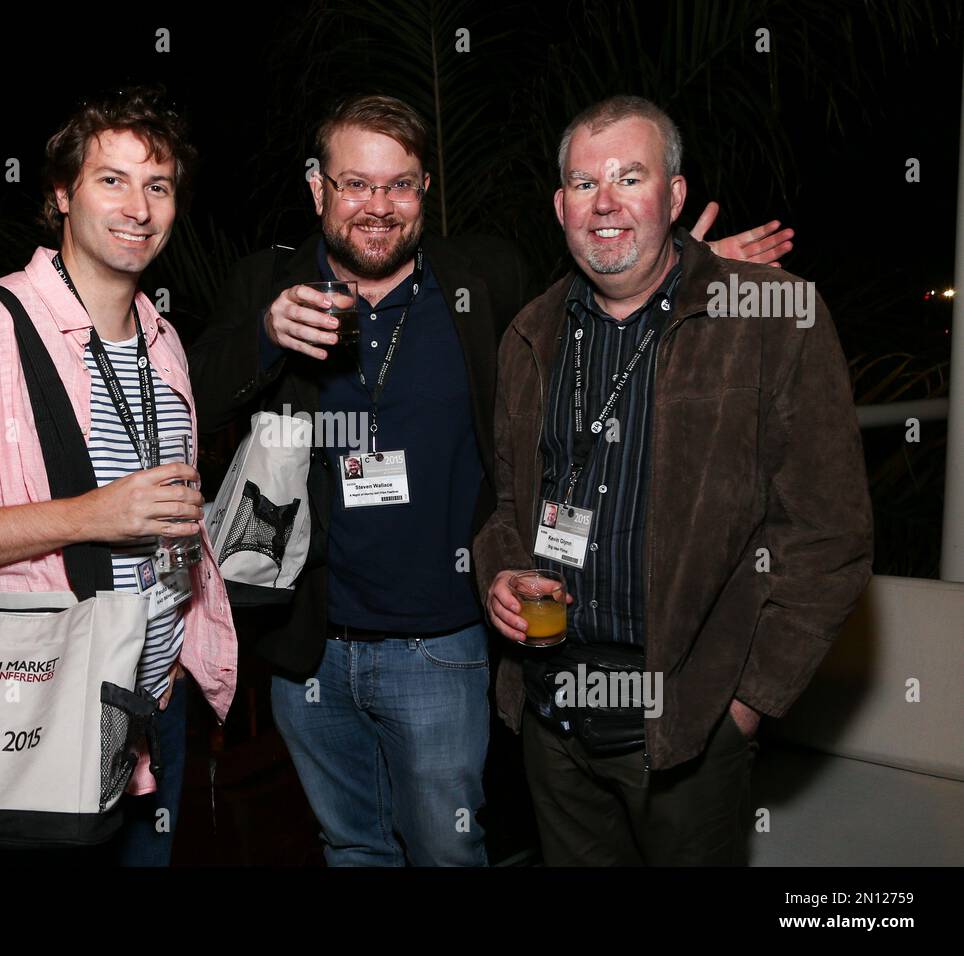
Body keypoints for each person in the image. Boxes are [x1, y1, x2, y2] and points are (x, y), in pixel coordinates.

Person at [191, 93, 789, 866]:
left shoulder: (484, 278)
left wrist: (681, 274)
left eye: (400, 184)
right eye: (356, 184)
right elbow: (190, 391)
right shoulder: (264, 282)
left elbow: (590, 315)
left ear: (426, 191)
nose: (379, 206)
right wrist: (268, 337)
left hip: (443, 646)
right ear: (319, 190)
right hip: (310, 647)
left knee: (449, 855)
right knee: (350, 849)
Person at [476, 95, 872, 865]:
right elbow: (510, 509)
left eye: (631, 176)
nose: (607, 204)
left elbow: (830, 535)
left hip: (687, 727)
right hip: (554, 721)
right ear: (560, 205)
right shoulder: (530, 332)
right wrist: (497, 571)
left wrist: (747, 705)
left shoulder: (771, 317)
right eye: (585, 184)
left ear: (676, 194)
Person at [0, 87, 237, 866]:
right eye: (112, 180)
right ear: (61, 194)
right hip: (37, 714)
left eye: (157, 186)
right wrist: (89, 516)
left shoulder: (165, 344)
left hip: (155, 709)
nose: (138, 206)